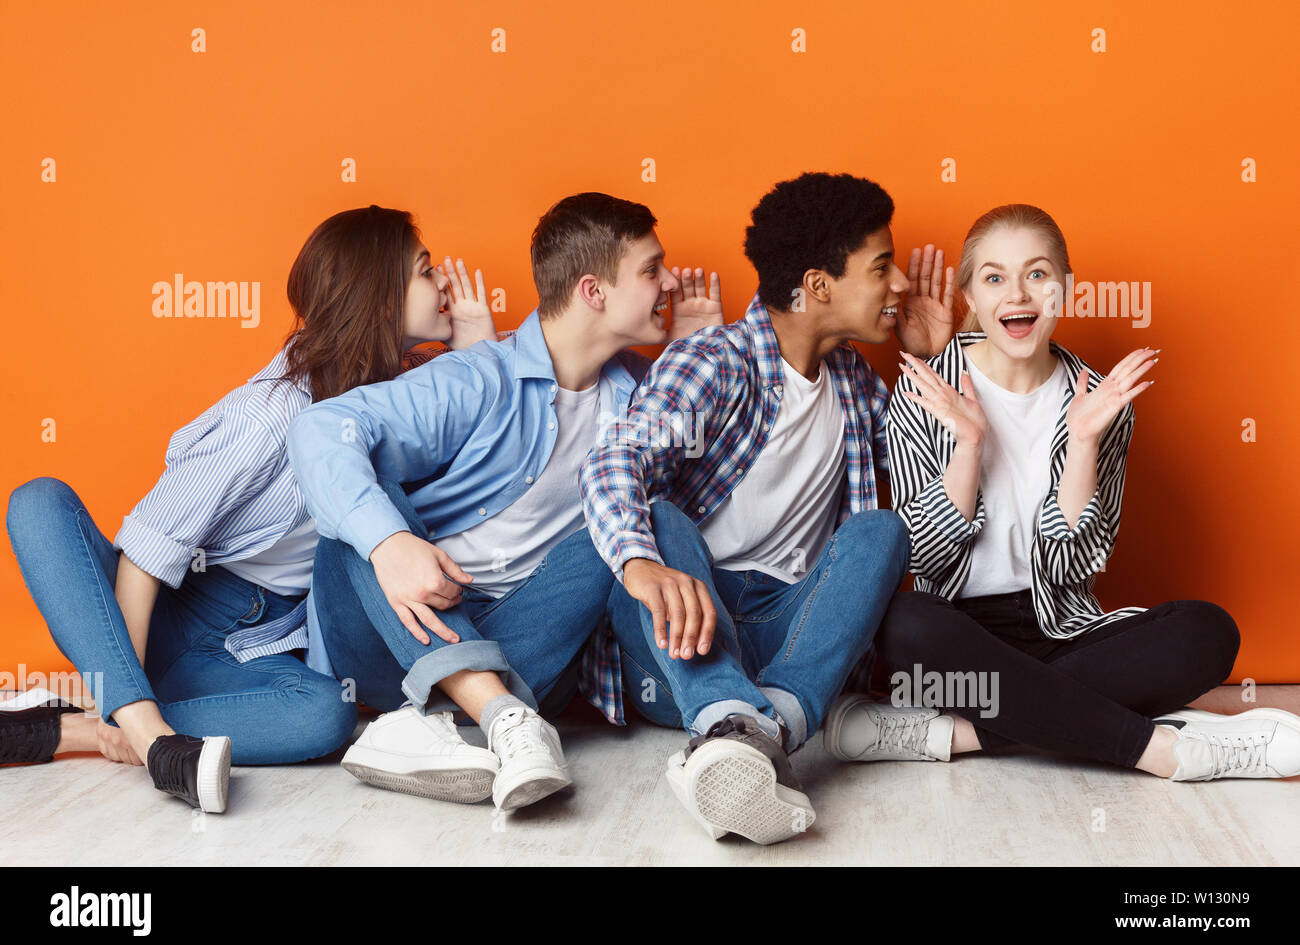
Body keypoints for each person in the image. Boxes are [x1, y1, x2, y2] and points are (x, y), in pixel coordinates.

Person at [2, 205, 499, 812]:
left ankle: (82, 729)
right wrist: (121, 681)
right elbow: (146, 555)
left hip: (241, 645)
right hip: (158, 614)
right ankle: (150, 736)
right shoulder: (267, 418)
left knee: (326, 715)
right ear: (379, 293)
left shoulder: (403, 394)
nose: (444, 282)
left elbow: (479, 474)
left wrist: (480, 347)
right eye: (426, 271)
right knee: (38, 501)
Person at [823, 202, 1300, 782]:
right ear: (970, 297)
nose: (1017, 294)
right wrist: (970, 445)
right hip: (956, 642)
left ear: (1064, 290)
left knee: (1209, 632)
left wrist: (1080, 442)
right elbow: (926, 557)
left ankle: (956, 735)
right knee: (900, 621)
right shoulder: (927, 391)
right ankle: (1161, 748)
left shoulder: (1099, 401)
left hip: (1064, 634)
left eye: (1038, 274)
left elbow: (1080, 563)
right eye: (995, 278)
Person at [288, 192, 724, 812]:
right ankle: (502, 722)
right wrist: (391, 545)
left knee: (637, 525)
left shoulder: (641, 399)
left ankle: (456, 726)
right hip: (392, 641)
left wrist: (700, 360)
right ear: (594, 292)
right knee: (363, 513)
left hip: (522, 649)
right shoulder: (477, 377)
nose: (671, 282)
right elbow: (321, 428)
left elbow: (708, 505)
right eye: (653, 270)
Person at [580, 172, 958, 845]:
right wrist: (640, 567)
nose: (900, 284)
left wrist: (936, 363)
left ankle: (757, 729)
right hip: (686, 636)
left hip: (796, 637)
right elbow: (616, 460)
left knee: (881, 530)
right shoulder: (716, 362)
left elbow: (937, 518)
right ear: (817, 287)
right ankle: (730, 713)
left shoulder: (857, 384)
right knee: (662, 519)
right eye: (881, 266)